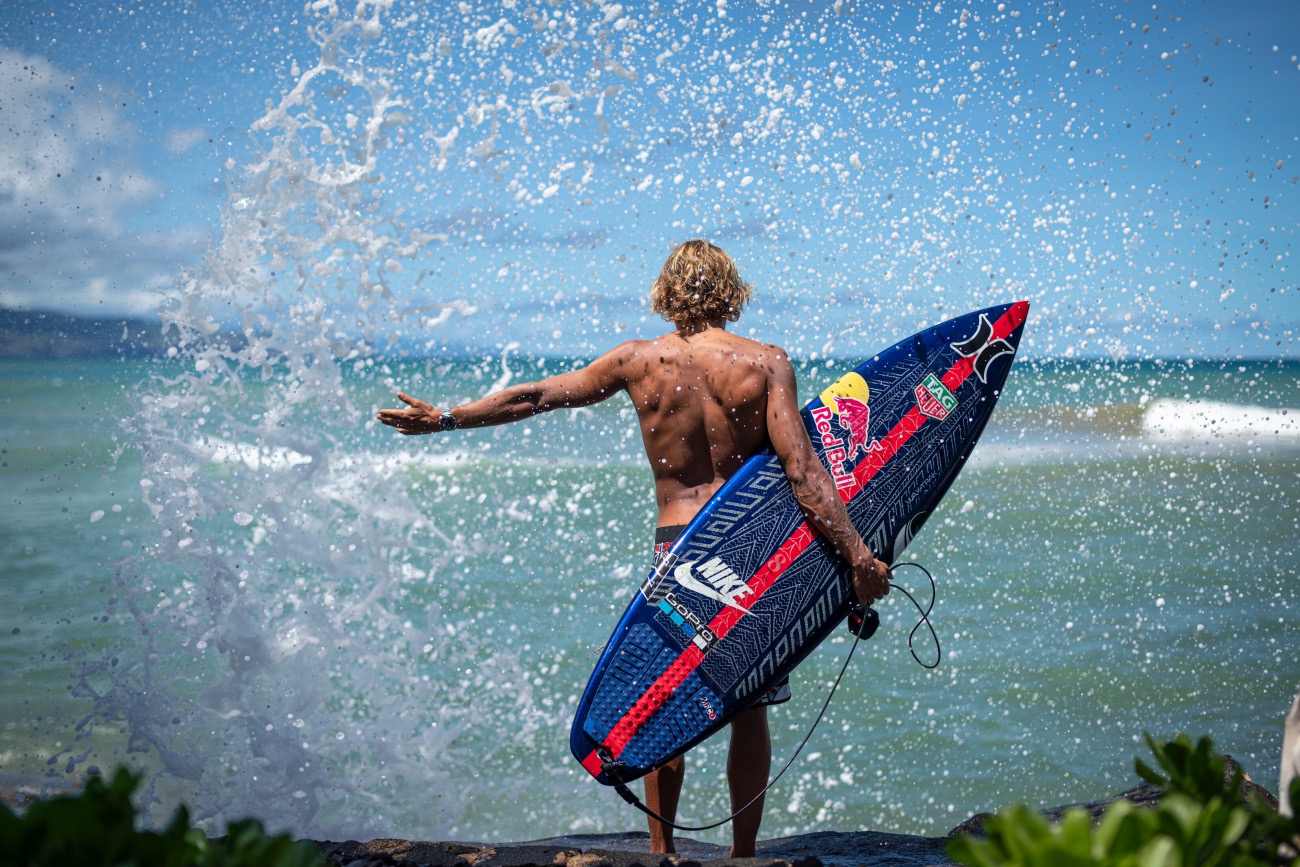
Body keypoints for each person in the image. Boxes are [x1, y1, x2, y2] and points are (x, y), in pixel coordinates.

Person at [377, 239, 891, 858]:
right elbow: (803, 470)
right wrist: (857, 555)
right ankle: (744, 855)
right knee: (749, 704)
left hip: (677, 546)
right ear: (731, 293)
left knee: (667, 693)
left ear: (666, 294)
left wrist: (449, 419)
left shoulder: (638, 361)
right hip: (746, 547)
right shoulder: (765, 363)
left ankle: (661, 851)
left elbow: (537, 396)